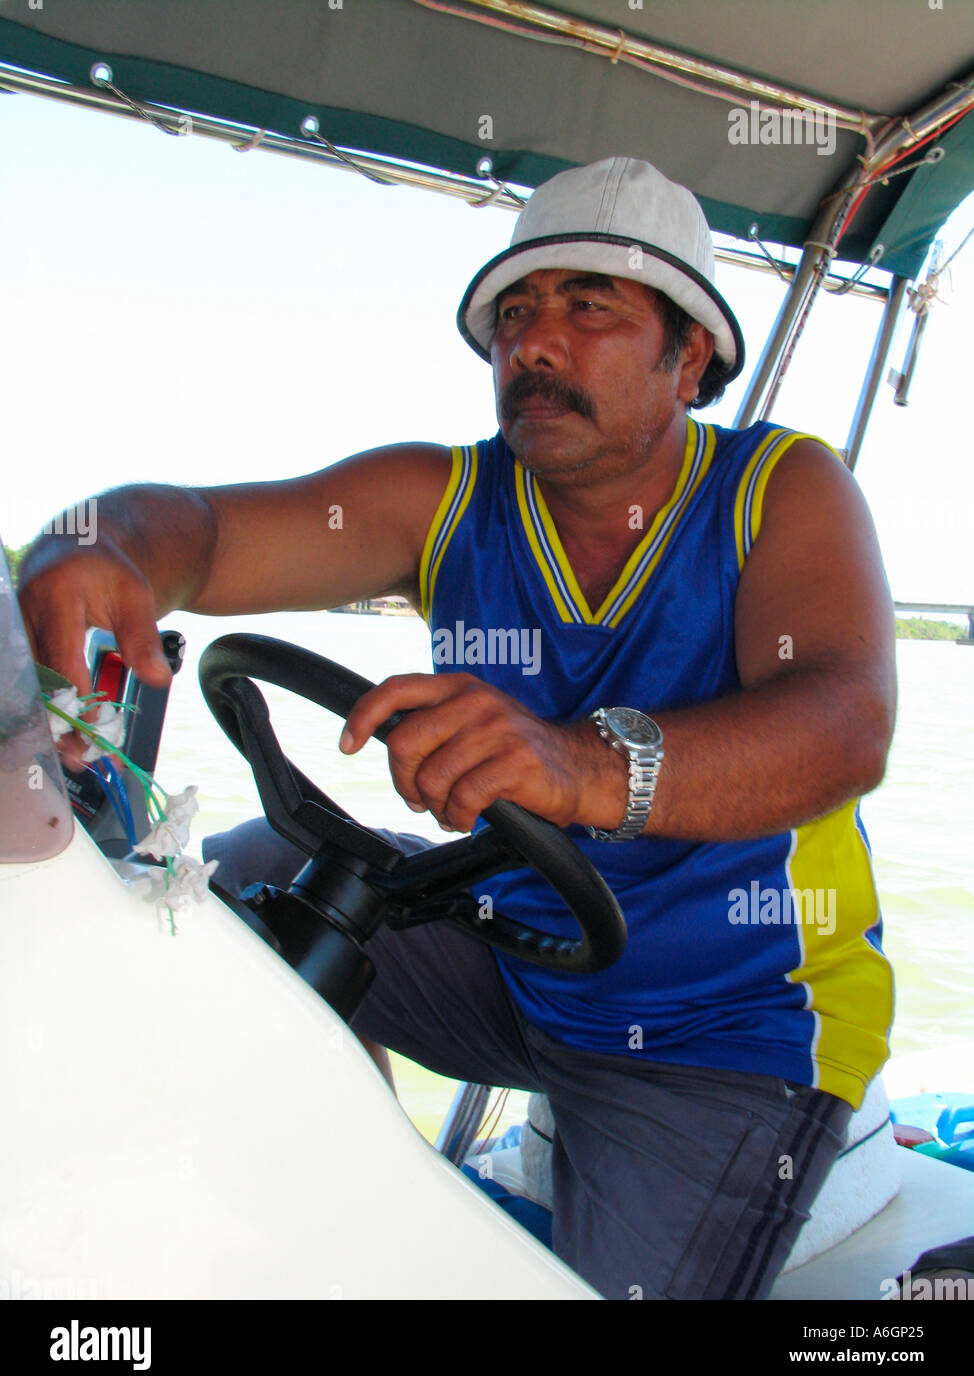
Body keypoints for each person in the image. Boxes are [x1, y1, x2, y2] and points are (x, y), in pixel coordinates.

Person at [19, 156, 896, 1300]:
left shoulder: (777, 489)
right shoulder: (447, 498)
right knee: (225, 893)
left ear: (688, 357)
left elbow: (840, 723)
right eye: (514, 315)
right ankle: (336, 1202)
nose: (533, 344)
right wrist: (92, 541)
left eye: (589, 308)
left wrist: (574, 762)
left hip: (727, 1031)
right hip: (521, 957)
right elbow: (203, 530)